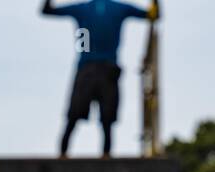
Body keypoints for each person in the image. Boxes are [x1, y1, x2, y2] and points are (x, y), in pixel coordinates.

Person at [42, 0, 160, 157]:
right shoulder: (86, 8)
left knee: (103, 119)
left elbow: (47, 10)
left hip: (98, 68)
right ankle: (67, 155)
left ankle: (99, 155)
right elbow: (154, 15)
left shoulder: (104, 8)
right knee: (82, 117)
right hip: (91, 67)